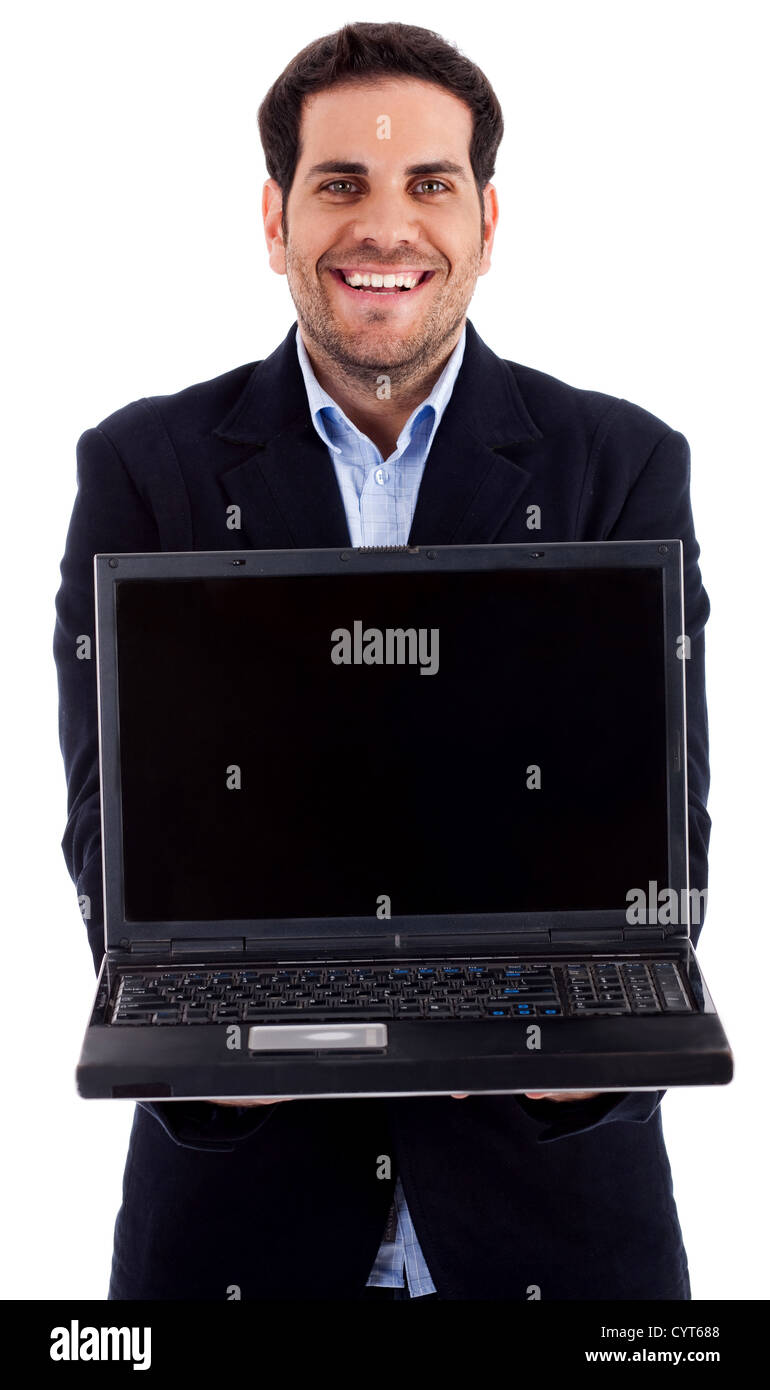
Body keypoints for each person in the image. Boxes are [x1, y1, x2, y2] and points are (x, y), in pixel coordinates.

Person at [54, 21, 711, 1301]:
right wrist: (216, 1033)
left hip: (554, 1221)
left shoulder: (622, 465)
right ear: (274, 214)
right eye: (340, 182)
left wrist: (583, 1039)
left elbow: (658, 841)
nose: (385, 227)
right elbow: (112, 838)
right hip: (236, 1220)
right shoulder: (143, 469)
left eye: (430, 184)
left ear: (485, 218)